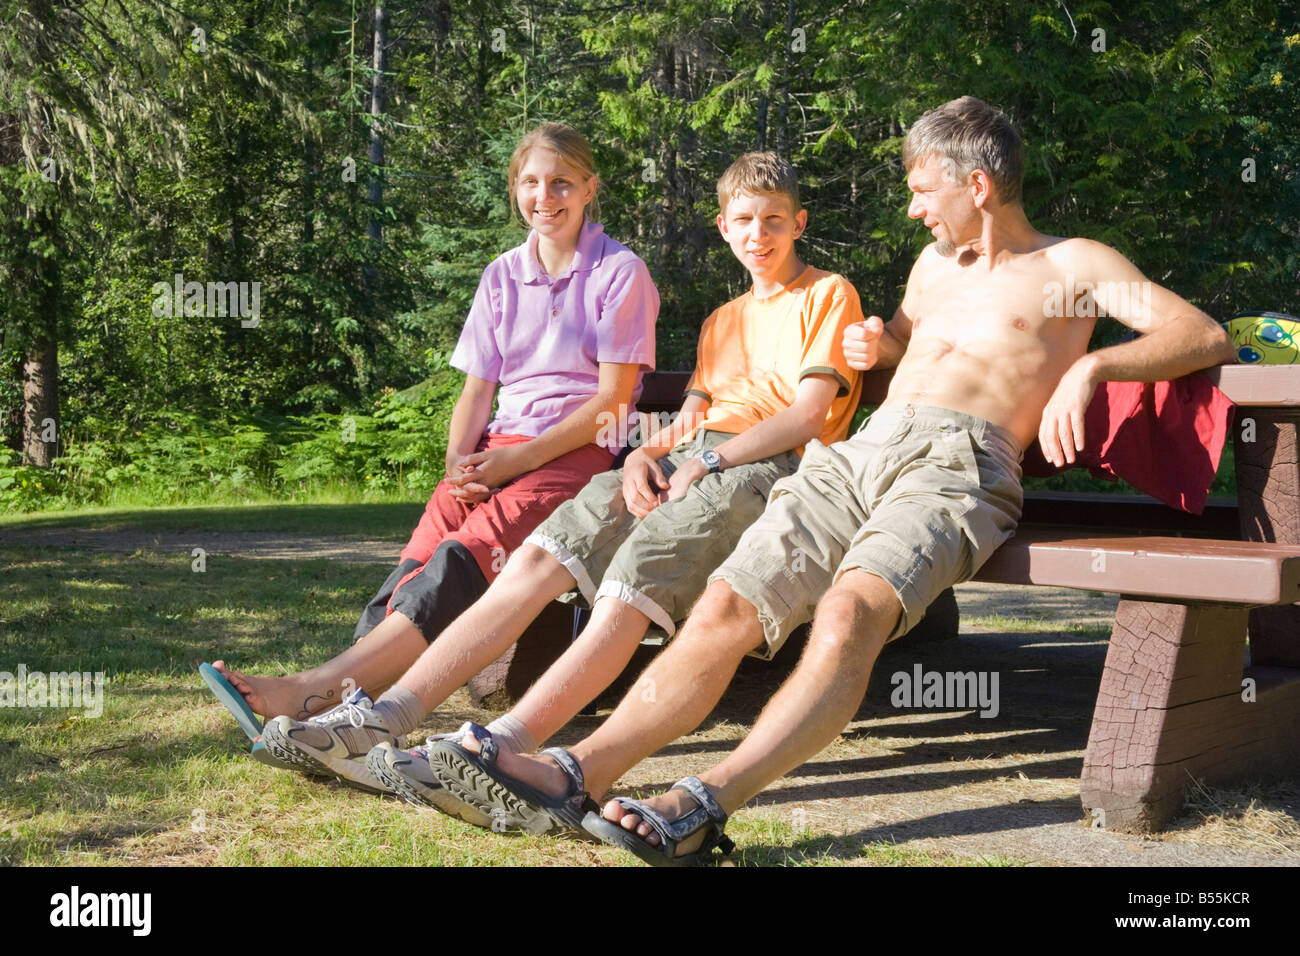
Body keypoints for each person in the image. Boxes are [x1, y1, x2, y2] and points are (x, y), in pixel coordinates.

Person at [420, 95, 1237, 864]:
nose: (915, 207)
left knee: (848, 611)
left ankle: (706, 799)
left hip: (961, 465)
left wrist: (1094, 367)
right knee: (729, 601)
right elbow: (896, 365)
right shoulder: (932, 265)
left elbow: (1199, 332)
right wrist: (876, 351)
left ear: (976, 184)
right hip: (866, 451)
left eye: (924, 190)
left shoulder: (1073, 263)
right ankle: (579, 771)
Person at [259, 152, 866, 808]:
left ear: (799, 222)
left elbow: (807, 417)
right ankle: (385, 717)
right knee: (540, 556)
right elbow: (693, 415)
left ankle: (501, 745)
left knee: (633, 579)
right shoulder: (723, 320)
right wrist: (641, 455)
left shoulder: (828, 294)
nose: (759, 233)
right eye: (745, 220)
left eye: (774, 220)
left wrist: (709, 461)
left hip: (758, 468)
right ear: (723, 227)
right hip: (680, 461)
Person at [200, 122, 658, 768]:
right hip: (498, 451)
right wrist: (459, 465)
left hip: (573, 459)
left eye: (561, 183)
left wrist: (513, 462)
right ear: (514, 189)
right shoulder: (502, 275)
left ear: (590, 188)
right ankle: (346, 707)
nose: (544, 196)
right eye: (530, 182)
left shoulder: (619, 272)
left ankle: (312, 696)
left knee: (459, 559)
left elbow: (612, 404)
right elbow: (476, 392)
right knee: (418, 561)